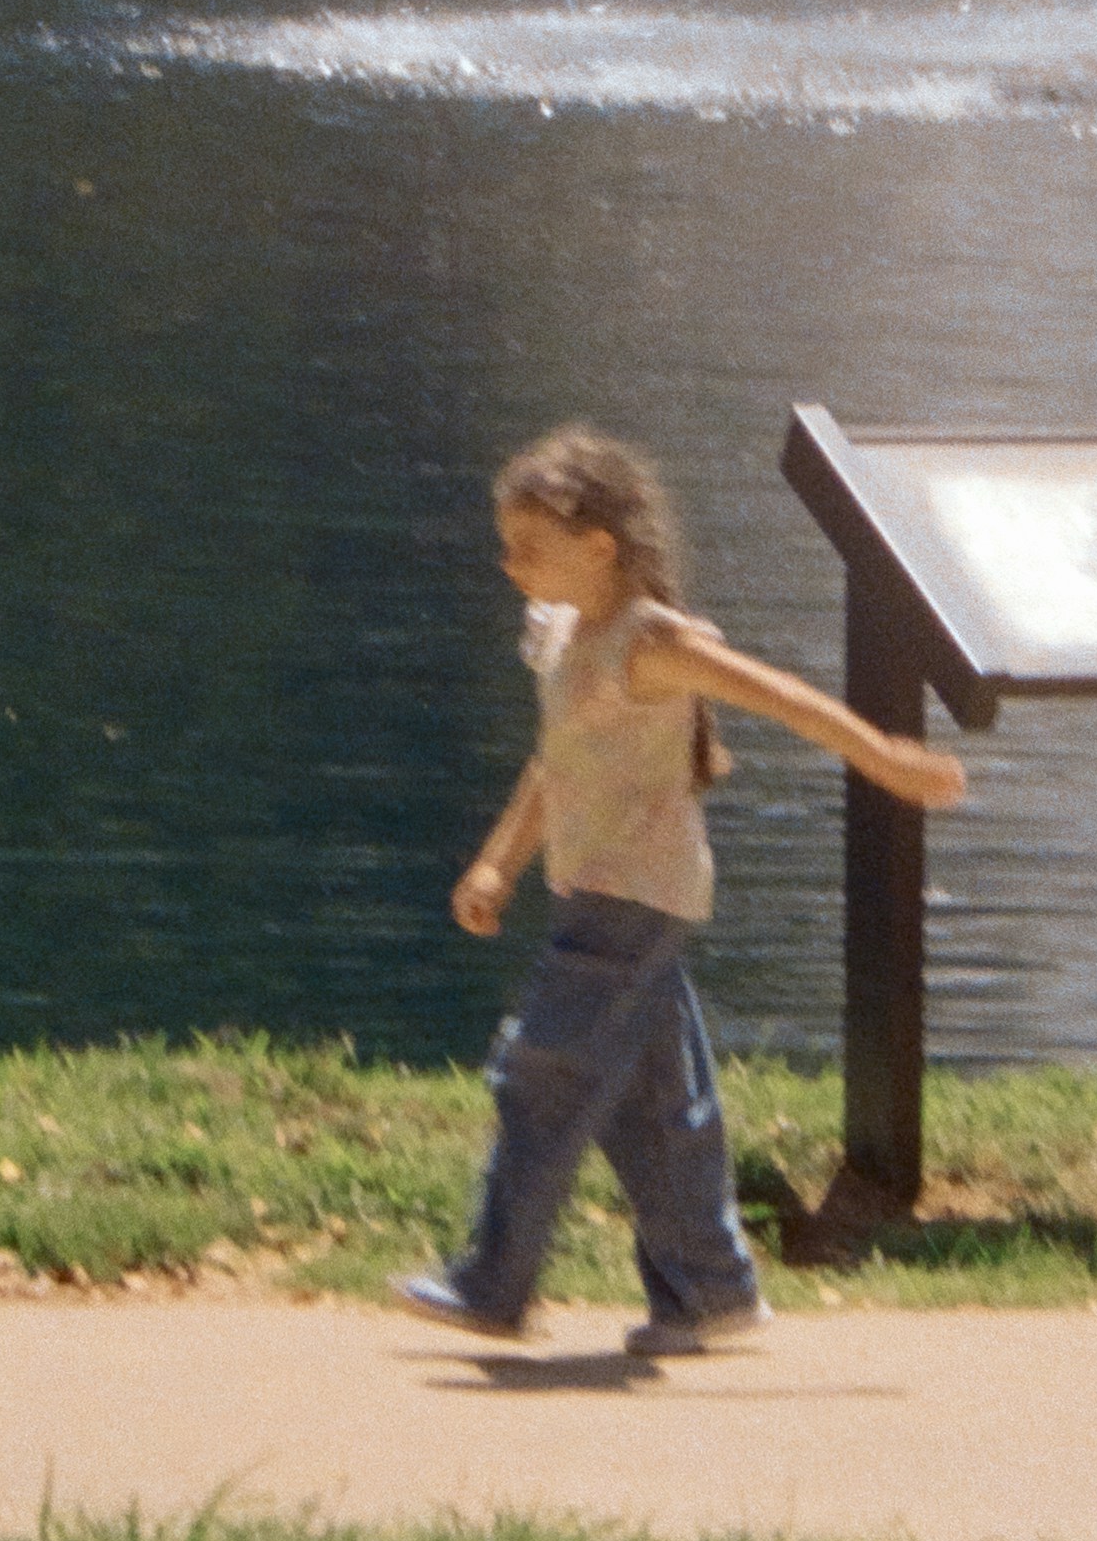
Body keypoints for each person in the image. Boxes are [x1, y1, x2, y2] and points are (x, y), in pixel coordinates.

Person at [397, 426, 968, 1355]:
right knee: (657, 1108)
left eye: (529, 550)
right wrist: (497, 860)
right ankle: (707, 1291)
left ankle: (492, 1283)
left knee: (542, 1076)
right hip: (604, 892)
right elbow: (556, 763)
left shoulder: (648, 643)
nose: (509, 567)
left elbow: (774, 695)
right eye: (506, 547)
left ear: (597, 549)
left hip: (633, 896)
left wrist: (882, 758)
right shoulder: (562, 636)